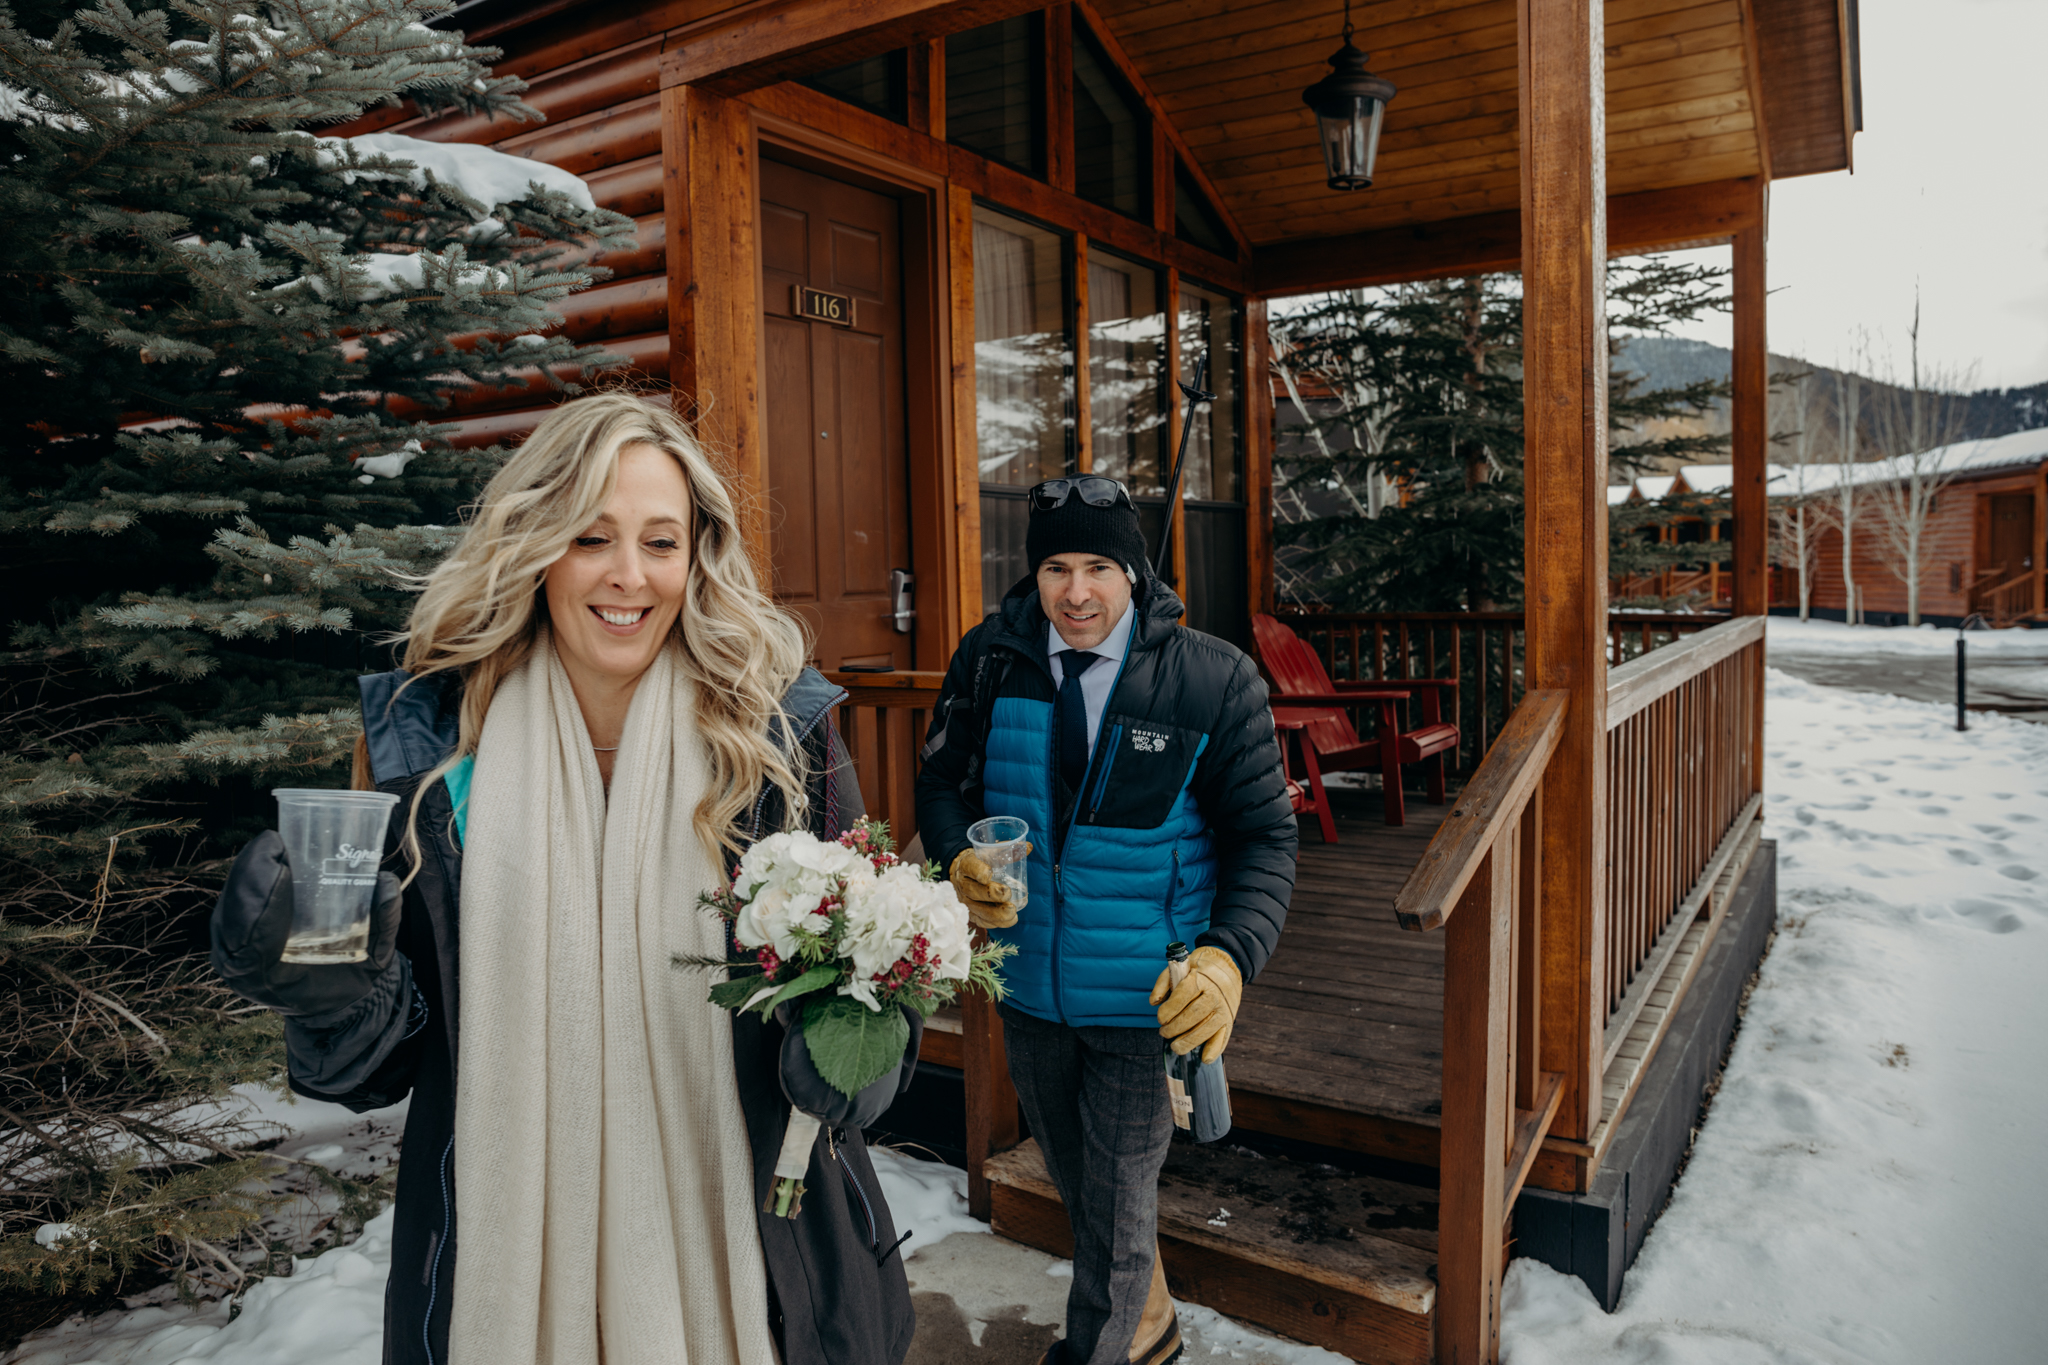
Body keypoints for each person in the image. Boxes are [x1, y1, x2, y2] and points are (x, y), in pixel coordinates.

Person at [209, 393, 917, 1365]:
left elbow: (876, 1019)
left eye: (660, 541)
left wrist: (851, 1048)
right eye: (592, 537)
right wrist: (323, 980)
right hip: (507, 1278)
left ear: (695, 555)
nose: (628, 576)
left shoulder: (778, 742)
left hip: (761, 1278)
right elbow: (365, 1069)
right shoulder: (434, 749)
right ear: (537, 544)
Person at [913, 476, 1297, 1365]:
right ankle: (1154, 1325)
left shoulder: (1210, 677)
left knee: (1120, 1197)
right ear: (1033, 573)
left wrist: (1229, 958)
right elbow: (942, 782)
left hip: (1147, 992)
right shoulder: (991, 658)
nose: (1075, 591)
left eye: (1097, 566)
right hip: (1029, 983)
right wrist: (955, 858)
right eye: (1055, 566)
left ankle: (1101, 1350)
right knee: (1083, 1184)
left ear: (1134, 572)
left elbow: (1266, 841)